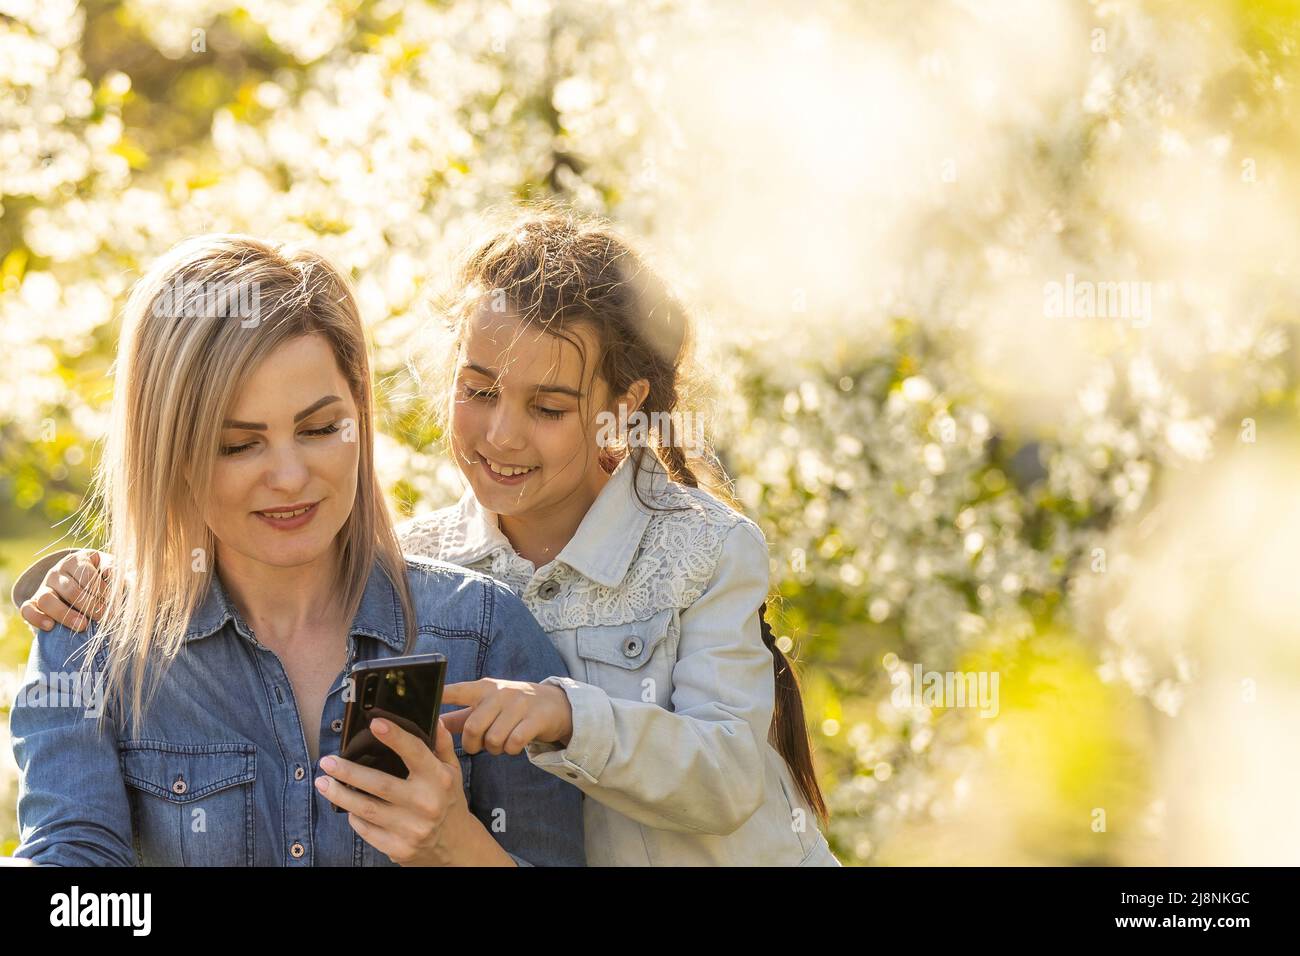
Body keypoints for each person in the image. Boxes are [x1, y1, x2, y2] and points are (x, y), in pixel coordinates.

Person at [8, 234, 584, 866]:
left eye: (317, 430)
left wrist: (457, 847)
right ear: (167, 449)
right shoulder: (88, 644)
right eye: (238, 444)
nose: (289, 477)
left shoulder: (483, 632)